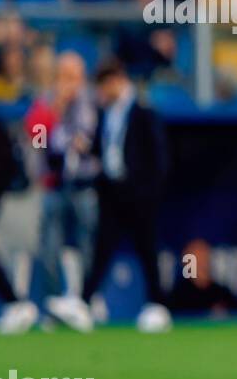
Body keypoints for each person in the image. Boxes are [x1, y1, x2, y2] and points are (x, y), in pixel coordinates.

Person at [46, 57, 171, 333]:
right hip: (113, 192)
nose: (102, 92)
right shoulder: (107, 113)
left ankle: (158, 305)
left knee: (147, 249)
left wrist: (150, 191)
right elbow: (107, 150)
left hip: (139, 193)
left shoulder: (143, 112)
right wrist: (85, 148)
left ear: (116, 80)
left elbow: (157, 157)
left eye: (104, 85)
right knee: (102, 250)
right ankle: (84, 302)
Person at [24, 50, 99, 304]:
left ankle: (86, 300)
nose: (69, 82)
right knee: (50, 246)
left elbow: (85, 140)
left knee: (87, 245)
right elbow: (37, 139)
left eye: (74, 76)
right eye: (64, 75)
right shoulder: (46, 103)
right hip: (54, 185)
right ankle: (54, 302)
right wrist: (55, 109)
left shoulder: (89, 102)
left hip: (83, 184)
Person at [0, 108, 38, 333]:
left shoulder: (38, 116)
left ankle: (16, 302)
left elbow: (40, 142)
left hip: (33, 192)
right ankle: (15, 302)